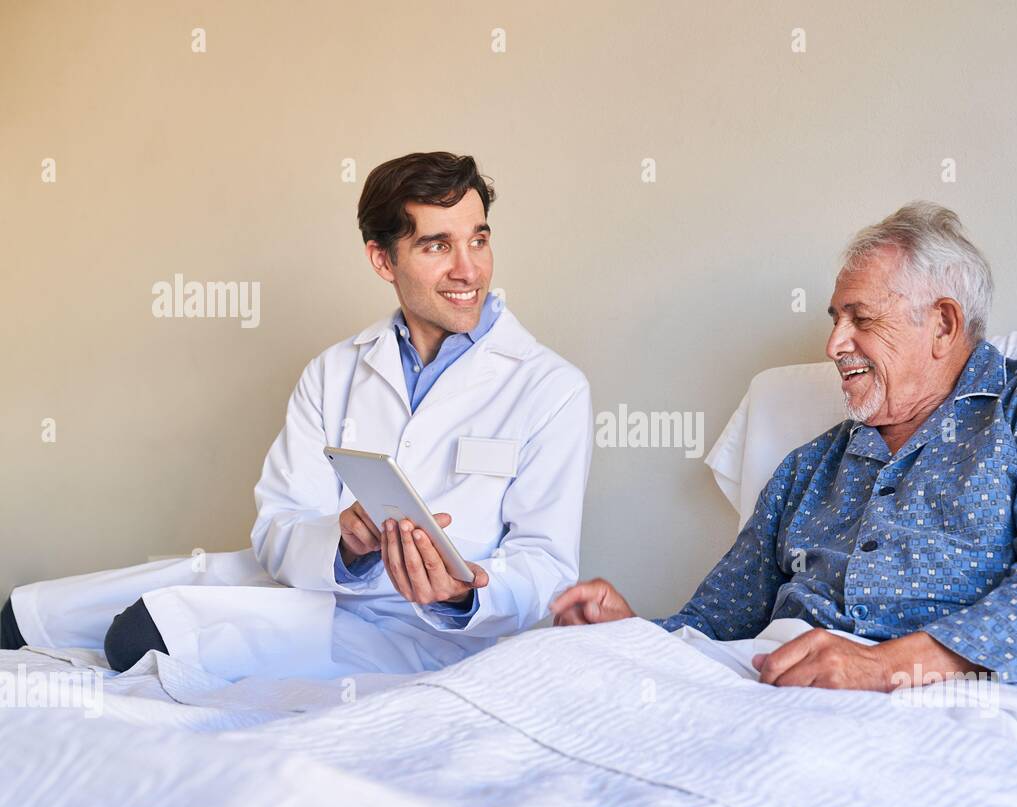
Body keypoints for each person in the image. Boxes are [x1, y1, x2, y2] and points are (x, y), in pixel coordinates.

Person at [2, 151, 592, 679]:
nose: (469, 270)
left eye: (479, 240)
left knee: (146, 634)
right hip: (312, 594)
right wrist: (345, 545)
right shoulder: (334, 372)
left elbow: (546, 562)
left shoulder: (551, 388)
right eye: (437, 245)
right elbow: (278, 524)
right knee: (29, 617)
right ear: (382, 260)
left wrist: (462, 596)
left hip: (427, 639)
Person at [552, 201, 1017, 697]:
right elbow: (714, 625)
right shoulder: (810, 467)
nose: (834, 343)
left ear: (943, 324)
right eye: (835, 320)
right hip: (771, 693)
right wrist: (631, 633)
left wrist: (886, 667)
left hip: (961, 707)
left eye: (859, 319)